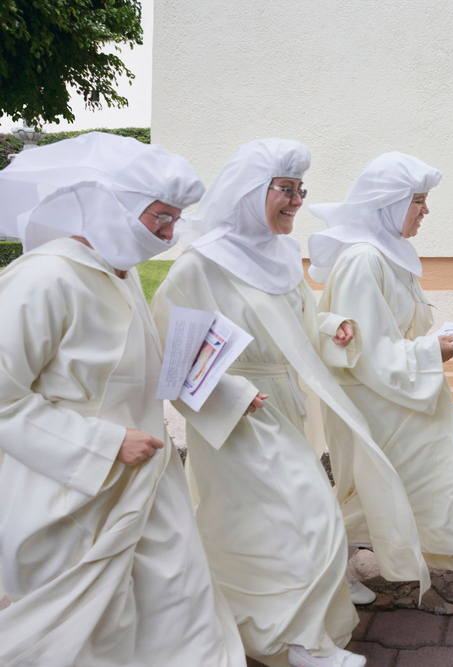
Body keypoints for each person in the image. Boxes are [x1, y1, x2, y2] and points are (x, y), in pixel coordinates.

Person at [152, 139, 413, 667]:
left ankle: (279, 609)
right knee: (306, 511)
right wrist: (234, 395)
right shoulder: (199, 268)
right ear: (252, 193)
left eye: (300, 190)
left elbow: (291, 326)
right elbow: (173, 357)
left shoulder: (281, 255)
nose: (296, 201)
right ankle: (300, 644)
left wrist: (327, 326)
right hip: (235, 416)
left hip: (285, 406)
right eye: (286, 189)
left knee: (257, 523)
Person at [0, 132, 246, 666]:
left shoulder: (122, 273)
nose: (170, 233)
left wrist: (220, 385)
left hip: (148, 481)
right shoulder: (43, 279)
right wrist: (105, 444)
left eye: (176, 220)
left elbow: (141, 370)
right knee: (92, 632)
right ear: (113, 206)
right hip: (69, 496)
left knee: (181, 603)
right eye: (161, 217)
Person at [307, 152, 453, 600]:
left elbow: (388, 333)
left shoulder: (387, 254)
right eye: (419, 199)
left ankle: (338, 558)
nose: (426, 211)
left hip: (397, 393)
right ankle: (324, 561)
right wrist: (429, 351)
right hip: (375, 400)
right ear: (391, 203)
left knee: (406, 477)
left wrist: (426, 348)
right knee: (392, 479)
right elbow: (366, 350)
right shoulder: (363, 260)